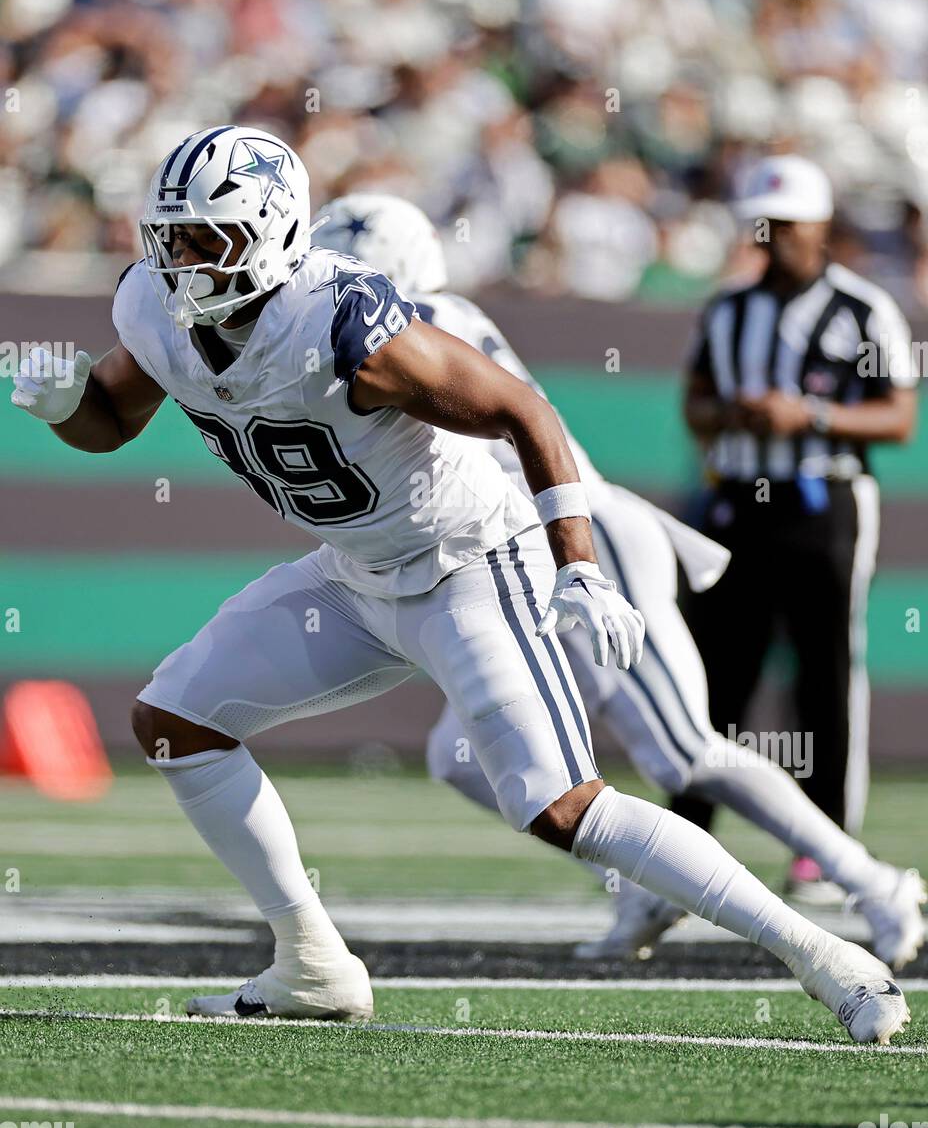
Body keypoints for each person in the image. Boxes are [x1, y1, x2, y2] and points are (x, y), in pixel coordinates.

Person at [10, 126, 913, 1043]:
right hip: (354, 576)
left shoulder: (341, 322)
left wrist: (580, 567)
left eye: (209, 239)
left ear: (276, 233)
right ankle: (312, 963)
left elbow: (525, 410)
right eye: (171, 238)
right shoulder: (155, 313)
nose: (183, 263)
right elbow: (113, 418)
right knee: (177, 722)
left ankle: (825, 956)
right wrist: (63, 404)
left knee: (561, 807)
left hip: (469, 564)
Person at [314, 192, 926, 968]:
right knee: (460, 755)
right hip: (513, 552)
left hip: (581, 538)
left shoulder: (413, 324)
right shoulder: (417, 318)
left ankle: (874, 883)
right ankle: (638, 886)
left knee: (684, 751)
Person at [671, 155, 918, 900]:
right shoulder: (728, 309)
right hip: (740, 500)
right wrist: (732, 414)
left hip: (824, 503)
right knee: (714, 670)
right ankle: (683, 843)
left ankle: (826, 848)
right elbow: (696, 404)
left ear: (819, 228)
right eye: (762, 224)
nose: (771, 238)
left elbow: (898, 417)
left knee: (825, 676)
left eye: (785, 225)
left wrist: (806, 415)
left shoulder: (864, 308)